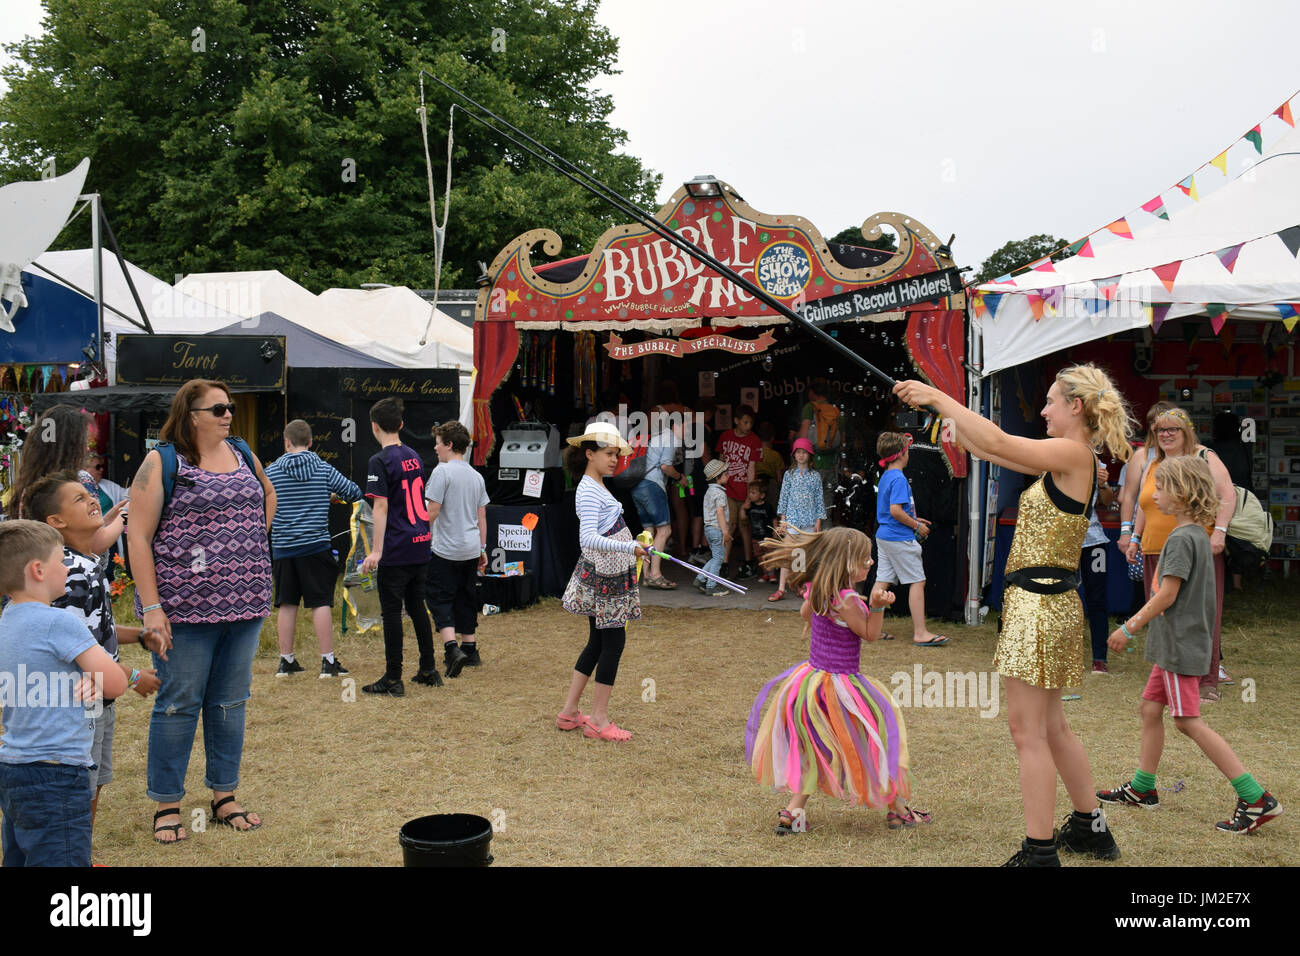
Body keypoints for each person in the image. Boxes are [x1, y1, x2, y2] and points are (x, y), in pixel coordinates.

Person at [895, 363, 1133, 866]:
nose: (1042, 410)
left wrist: (939, 397)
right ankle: (1090, 827)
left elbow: (1000, 443)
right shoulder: (1067, 458)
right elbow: (989, 447)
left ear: (1077, 407)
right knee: (1053, 729)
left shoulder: (1071, 453)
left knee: (1029, 733)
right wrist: (948, 417)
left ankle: (1039, 851)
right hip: (1051, 602)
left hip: (1039, 605)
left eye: (1050, 402)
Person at [1101, 456, 1282, 834]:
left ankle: (1255, 798)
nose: (1156, 494)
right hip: (1174, 645)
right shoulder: (1197, 534)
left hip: (1180, 648)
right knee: (1150, 708)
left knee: (1187, 721)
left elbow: (1166, 595)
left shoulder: (1183, 539)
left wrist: (1128, 628)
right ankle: (1143, 788)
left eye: (1162, 487)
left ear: (1182, 493)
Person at [128, 379, 275, 842]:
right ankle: (167, 804)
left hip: (245, 603)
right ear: (190, 414)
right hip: (183, 610)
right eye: (217, 409)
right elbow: (137, 535)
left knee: (230, 702)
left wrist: (248, 541)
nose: (227, 414)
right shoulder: (163, 460)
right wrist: (152, 608)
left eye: (229, 407)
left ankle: (224, 796)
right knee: (178, 704)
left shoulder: (243, 451)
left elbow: (267, 493)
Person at [748, 526, 930, 835]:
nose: (871, 563)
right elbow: (870, 635)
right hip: (842, 690)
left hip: (811, 684)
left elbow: (807, 614)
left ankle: (792, 812)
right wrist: (876, 607)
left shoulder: (819, 590)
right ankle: (897, 810)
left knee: (818, 747)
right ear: (846, 563)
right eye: (864, 558)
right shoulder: (849, 602)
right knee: (874, 743)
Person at [23, 472, 164, 828]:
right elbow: (73, 647)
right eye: (78, 499)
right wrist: (132, 676)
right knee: (76, 787)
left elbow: (94, 626)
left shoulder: (87, 563)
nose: (90, 499)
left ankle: (80, 855)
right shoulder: (69, 573)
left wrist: (140, 636)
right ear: (55, 521)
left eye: (89, 494)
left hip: (98, 701)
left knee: (92, 783)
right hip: (77, 705)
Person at [0, 520, 126, 866]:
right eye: (61, 561)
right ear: (38, 570)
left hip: (13, 767)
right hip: (57, 771)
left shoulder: (6, 621)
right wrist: (98, 678)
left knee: (19, 856)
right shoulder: (60, 622)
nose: (67, 567)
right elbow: (116, 682)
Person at [1125, 407, 1236, 701]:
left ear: (1187, 431)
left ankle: (1206, 680)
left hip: (1197, 548)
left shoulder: (1203, 457)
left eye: (1173, 429)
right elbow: (1144, 504)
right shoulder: (1154, 463)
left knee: (1200, 614)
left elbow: (1228, 495)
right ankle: (1167, 676)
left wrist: (1221, 532)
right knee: (1162, 613)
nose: (1166, 435)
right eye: (1160, 430)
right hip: (1154, 549)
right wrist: (1134, 536)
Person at [557, 423, 650, 742]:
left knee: (598, 642)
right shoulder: (588, 490)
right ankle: (598, 720)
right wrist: (630, 547)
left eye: (616, 455)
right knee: (612, 644)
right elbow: (588, 540)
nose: (615, 460)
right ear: (589, 454)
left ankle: (570, 713)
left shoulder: (594, 486)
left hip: (610, 573)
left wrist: (632, 543)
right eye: (609, 454)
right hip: (606, 576)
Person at [265, 419, 362, 679]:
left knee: (286, 602)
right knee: (320, 602)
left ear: (286, 442)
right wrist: (327, 495)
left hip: (284, 547)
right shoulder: (322, 468)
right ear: (310, 442)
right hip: (315, 545)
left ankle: (286, 662)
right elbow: (354, 492)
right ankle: (327, 662)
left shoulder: (272, 472)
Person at [359, 398, 439, 696]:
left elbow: (380, 506)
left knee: (392, 612)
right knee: (418, 606)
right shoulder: (414, 455)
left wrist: (377, 551)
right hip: (420, 542)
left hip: (397, 544)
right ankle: (428, 668)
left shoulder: (379, 461)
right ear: (402, 425)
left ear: (374, 426)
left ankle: (393, 677)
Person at [4, 405, 126, 556]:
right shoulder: (78, 481)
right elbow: (95, 544)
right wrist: (126, 514)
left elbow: (73, 531)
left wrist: (106, 520)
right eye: (84, 441)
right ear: (71, 445)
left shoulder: (29, 484)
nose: (87, 449)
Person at [423, 420, 487, 673]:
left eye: (438, 444)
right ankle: (470, 648)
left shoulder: (442, 471)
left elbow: (432, 512)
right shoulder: (476, 475)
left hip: (445, 549)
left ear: (449, 445)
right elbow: (481, 516)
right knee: (466, 596)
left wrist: (413, 534)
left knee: (439, 596)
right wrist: (482, 548)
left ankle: (451, 648)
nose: (435, 449)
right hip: (471, 548)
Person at [873, 432, 945, 647]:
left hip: (884, 536)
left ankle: (872, 627)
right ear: (902, 454)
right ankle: (920, 632)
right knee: (917, 581)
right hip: (898, 537)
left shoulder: (886, 476)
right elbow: (896, 511)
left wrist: (912, 518)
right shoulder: (899, 479)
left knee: (882, 581)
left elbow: (892, 510)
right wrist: (917, 525)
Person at [769, 438, 825, 602]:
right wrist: (783, 520)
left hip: (809, 520)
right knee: (788, 553)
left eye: (804, 452)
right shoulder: (789, 474)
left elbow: (819, 499)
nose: (801, 455)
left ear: (809, 455)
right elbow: (784, 497)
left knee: (803, 554)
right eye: (798, 452)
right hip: (792, 520)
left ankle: (800, 586)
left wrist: (818, 520)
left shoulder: (815, 476)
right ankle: (781, 588)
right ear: (794, 455)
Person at [632, 411, 680, 589]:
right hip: (652, 486)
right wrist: (680, 477)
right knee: (664, 531)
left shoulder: (653, 437)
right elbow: (666, 466)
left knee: (648, 532)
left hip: (637, 486)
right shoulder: (670, 438)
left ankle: (645, 575)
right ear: (675, 426)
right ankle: (655, 574)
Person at [716, 404, 761, 579]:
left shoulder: (754, 440)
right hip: (728, 489)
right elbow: (721, 461)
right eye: (744, 422)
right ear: (736, 421)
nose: (748, 426)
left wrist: (750, 496)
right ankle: (724, 563)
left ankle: (749, 562)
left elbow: (751, 469)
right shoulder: (725, 437)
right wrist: (719, 485)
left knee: (745, 526)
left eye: (750, 423)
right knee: (728, 526)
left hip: (745, 490)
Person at [1081, 459, 1117, 674]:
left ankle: (1099, 658)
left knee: (1097, 599)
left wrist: (1103, 485)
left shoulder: (1097, 462)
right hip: (1061, 541)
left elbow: (1107, 501)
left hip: (1094, 541)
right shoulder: (1053, 454)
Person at [798, 378, 841, 520]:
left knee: (808, 511)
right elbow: (841, 440)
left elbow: (804, 437)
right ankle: (825, 538)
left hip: (813, 465)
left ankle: (811, 540)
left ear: (812, 392)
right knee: (826, 512)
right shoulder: (834, 410)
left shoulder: (810, 408)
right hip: (831, 467)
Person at [694, 458, 731, 597]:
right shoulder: (720, 493)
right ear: (717, 477)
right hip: (717, 528)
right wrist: (725, 531)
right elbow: (720, 512)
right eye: (726, 474)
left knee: (715, 557)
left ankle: (700, 579)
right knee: (718, 559)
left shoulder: (709, 491)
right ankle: (711, 586)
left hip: (708, 528)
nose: (729, 475)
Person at [741, 479, 775, 583]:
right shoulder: (750, 507)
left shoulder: (767, 506)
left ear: (762, 495)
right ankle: (765, 573)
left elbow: (774, 518)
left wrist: (775, 530)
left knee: (769, 555)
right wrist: (743, 508)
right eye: (749, 493)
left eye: (753, 493)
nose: (750, 495)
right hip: (756, 537)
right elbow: (743, 519)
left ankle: (772, 574)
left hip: (767, 536)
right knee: (759, 556)